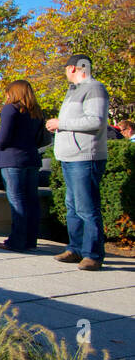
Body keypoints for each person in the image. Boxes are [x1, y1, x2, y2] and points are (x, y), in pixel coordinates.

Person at [46, 54, 110, 270]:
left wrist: (60, 123)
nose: (64, 73)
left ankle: (93, 254)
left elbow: (96, 121)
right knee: (72, 207)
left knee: (87, 208)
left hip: (85, 157)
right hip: (69, 157)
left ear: (74, 68)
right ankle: (75, 248)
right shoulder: (73, 91)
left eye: (65, 69)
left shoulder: (95, 88)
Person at [0, 80, 44, 252]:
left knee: (17, 200)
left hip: (12, 159)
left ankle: (16, 240)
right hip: (31, 158)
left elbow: (4, 136)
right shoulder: (36, 112)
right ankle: (30, 240)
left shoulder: (10, 109)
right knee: (31, 200)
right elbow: (40, 138)